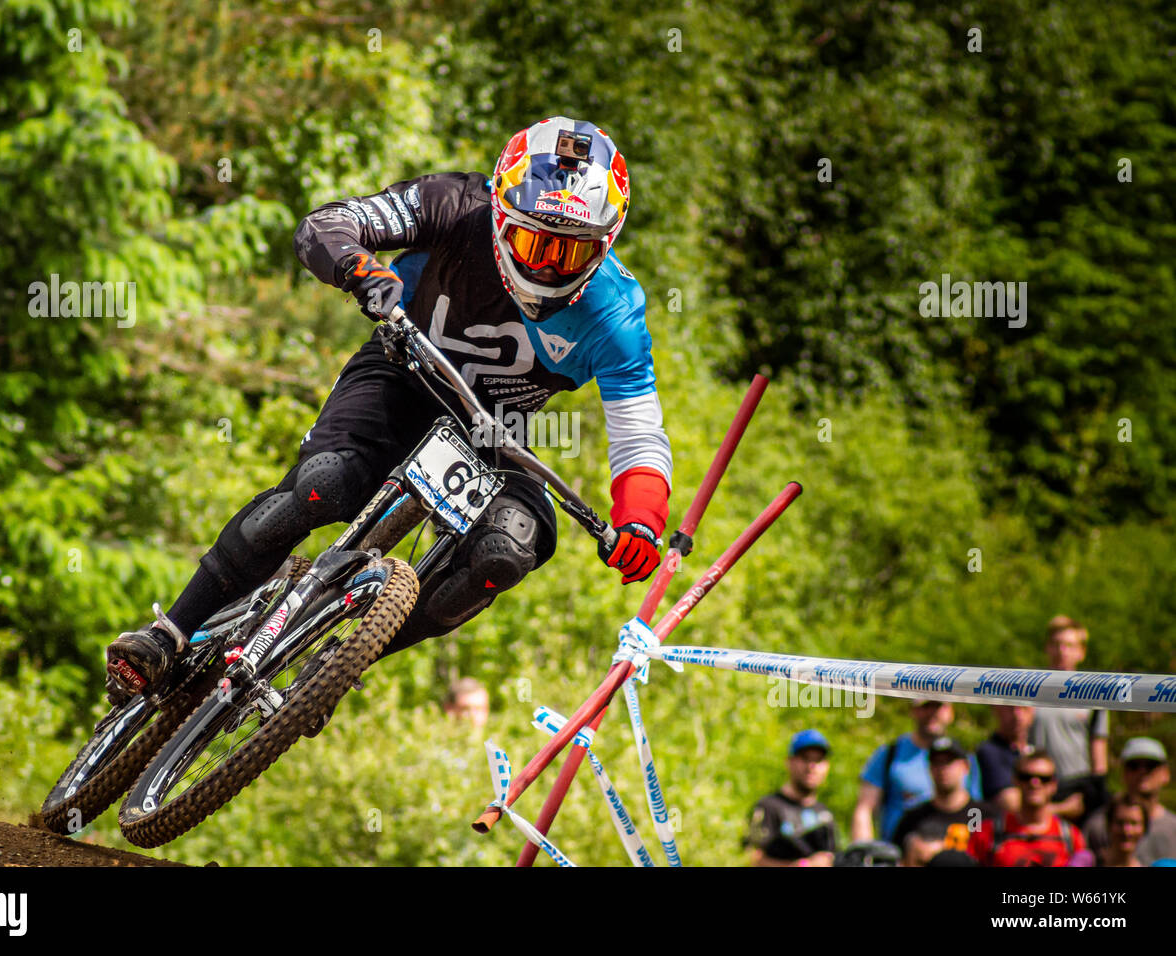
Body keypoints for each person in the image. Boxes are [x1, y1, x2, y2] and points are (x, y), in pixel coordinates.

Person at [104, 118, 673, 699]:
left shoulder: (616, 313)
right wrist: (358, 266)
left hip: (493, 432)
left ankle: (334, 667)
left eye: (569, 250)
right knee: (323, 486)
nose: (547, 266)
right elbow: (326, 224)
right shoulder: (453, 204)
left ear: (606, 245)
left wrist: (641, 519)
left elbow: (639, 435)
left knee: (508, 547)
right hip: (401, 372)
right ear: (501, 217)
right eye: (534, 242)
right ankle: (170, 633)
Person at [851, 700, 981, 843]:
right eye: (925, 707)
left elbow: (975, 811)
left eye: (937, 707)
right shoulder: (890, 754)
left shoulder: (965, 759)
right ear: (913, 711)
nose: (931, 713)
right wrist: (863, 853)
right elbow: (864, 809)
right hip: (900, 852)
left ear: (950, 712)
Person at [1029, 616, 1109, 821]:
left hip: (1078, 790)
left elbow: (1098, 753)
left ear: (1081, 652)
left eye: (1069, 645)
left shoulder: (1093, 694)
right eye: (1056, 645)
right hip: (1034, 784)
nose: (1062, 651)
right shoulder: (1028, 690)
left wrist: (1095, 791)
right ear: (1047, 648)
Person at [967, 750, 1089, 867]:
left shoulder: (1071, 837)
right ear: (1015, 780)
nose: (1034, 783)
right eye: (1026, 777)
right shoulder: (987, 833)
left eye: (1044, 778)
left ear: (1053, 785)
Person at [745, 730, 839, 867]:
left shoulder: (825, 814)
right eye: (805, 759)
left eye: (818, 760)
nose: (812, 767)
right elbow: (750, 857)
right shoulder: (768, 807)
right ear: (789, 762)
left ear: (827, 767)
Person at [1082, 737, 1176, 865]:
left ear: (1166, 773)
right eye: (1134, 766)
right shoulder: (1097, 826)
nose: (1142, 771)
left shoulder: (1173, 828)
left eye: (1151, 766)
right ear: (1123, 773)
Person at [891, 737, 991, 856]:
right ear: (930, 769)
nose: (943, 769)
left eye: (949, 762)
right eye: (937, 763)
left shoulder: (984, 816)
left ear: (965, 766)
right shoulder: (913, 819)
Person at [975, 704, 1036, 812]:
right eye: (1009, 707)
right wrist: (1062, 808)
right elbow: (1010, 802)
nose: (1017, 714)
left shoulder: (1036, 749)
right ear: (996, 709)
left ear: (1033, 710)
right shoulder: (989, 751)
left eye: (1023, 707)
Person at [1097, 793, 1149, 867]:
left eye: (1134, 823)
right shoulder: (1090, 863)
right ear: (1109, 825)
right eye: (1120, 823)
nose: (1127, 830)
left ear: (1144, 827)